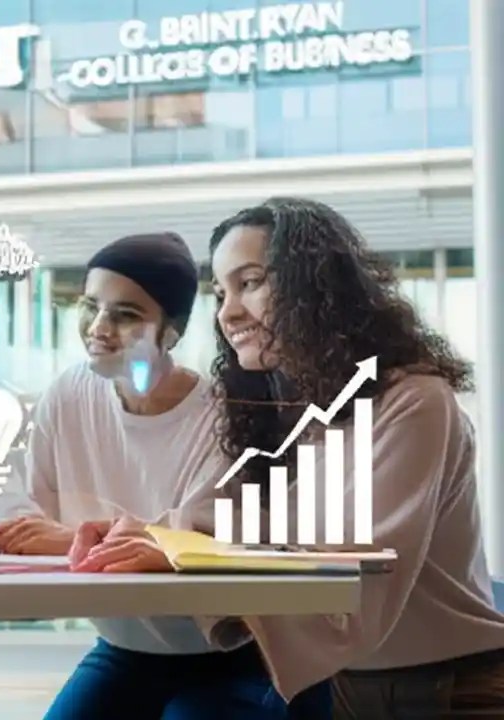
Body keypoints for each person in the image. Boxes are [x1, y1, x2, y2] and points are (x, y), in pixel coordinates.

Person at [78, 197, 504, 718]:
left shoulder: (413, 398)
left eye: (250, 282)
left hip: (454, 690)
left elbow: (356, 567)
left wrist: (183, 543)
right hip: (341, 691)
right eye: (220, 292)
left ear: (317, 285)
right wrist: (142, 533)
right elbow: (220, 510)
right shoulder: (287, 408)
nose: (228, 312)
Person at [0, 233, 328, 718]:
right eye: (90, 306)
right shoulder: (69, 395)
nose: (98, 327)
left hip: (235, 655)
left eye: (126, 314)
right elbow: (32, 513)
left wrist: (61, 540)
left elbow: (183, 544)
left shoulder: (226, 414)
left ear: (171, 333)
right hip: (127, 650)